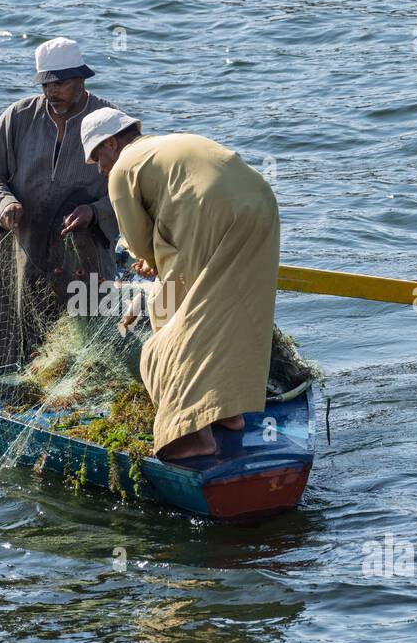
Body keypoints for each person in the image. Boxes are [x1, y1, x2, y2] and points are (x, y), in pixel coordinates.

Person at [80, 108, 280, 460]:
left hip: (212, 213)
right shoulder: (164, 144)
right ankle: (228, 411)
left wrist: (149, 259)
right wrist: (155, 257)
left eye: (97, 156)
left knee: (169, 314)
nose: (99, 168)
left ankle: (191, 430)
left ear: (112, 142)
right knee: (230, 305)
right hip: (261, 204)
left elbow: (136, 238)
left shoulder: (124, 167)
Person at [0, 37, 120, 370]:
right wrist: (5, 203)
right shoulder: (19, 117)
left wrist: (95, 211)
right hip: (25, 245)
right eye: (46, 84)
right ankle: (11, 388)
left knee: (92, 340)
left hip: (86, 252)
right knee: (16, 338)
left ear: (82, 80)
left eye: (62, 84)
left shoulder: (109, 121)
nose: (52, 92)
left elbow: (131, 186)